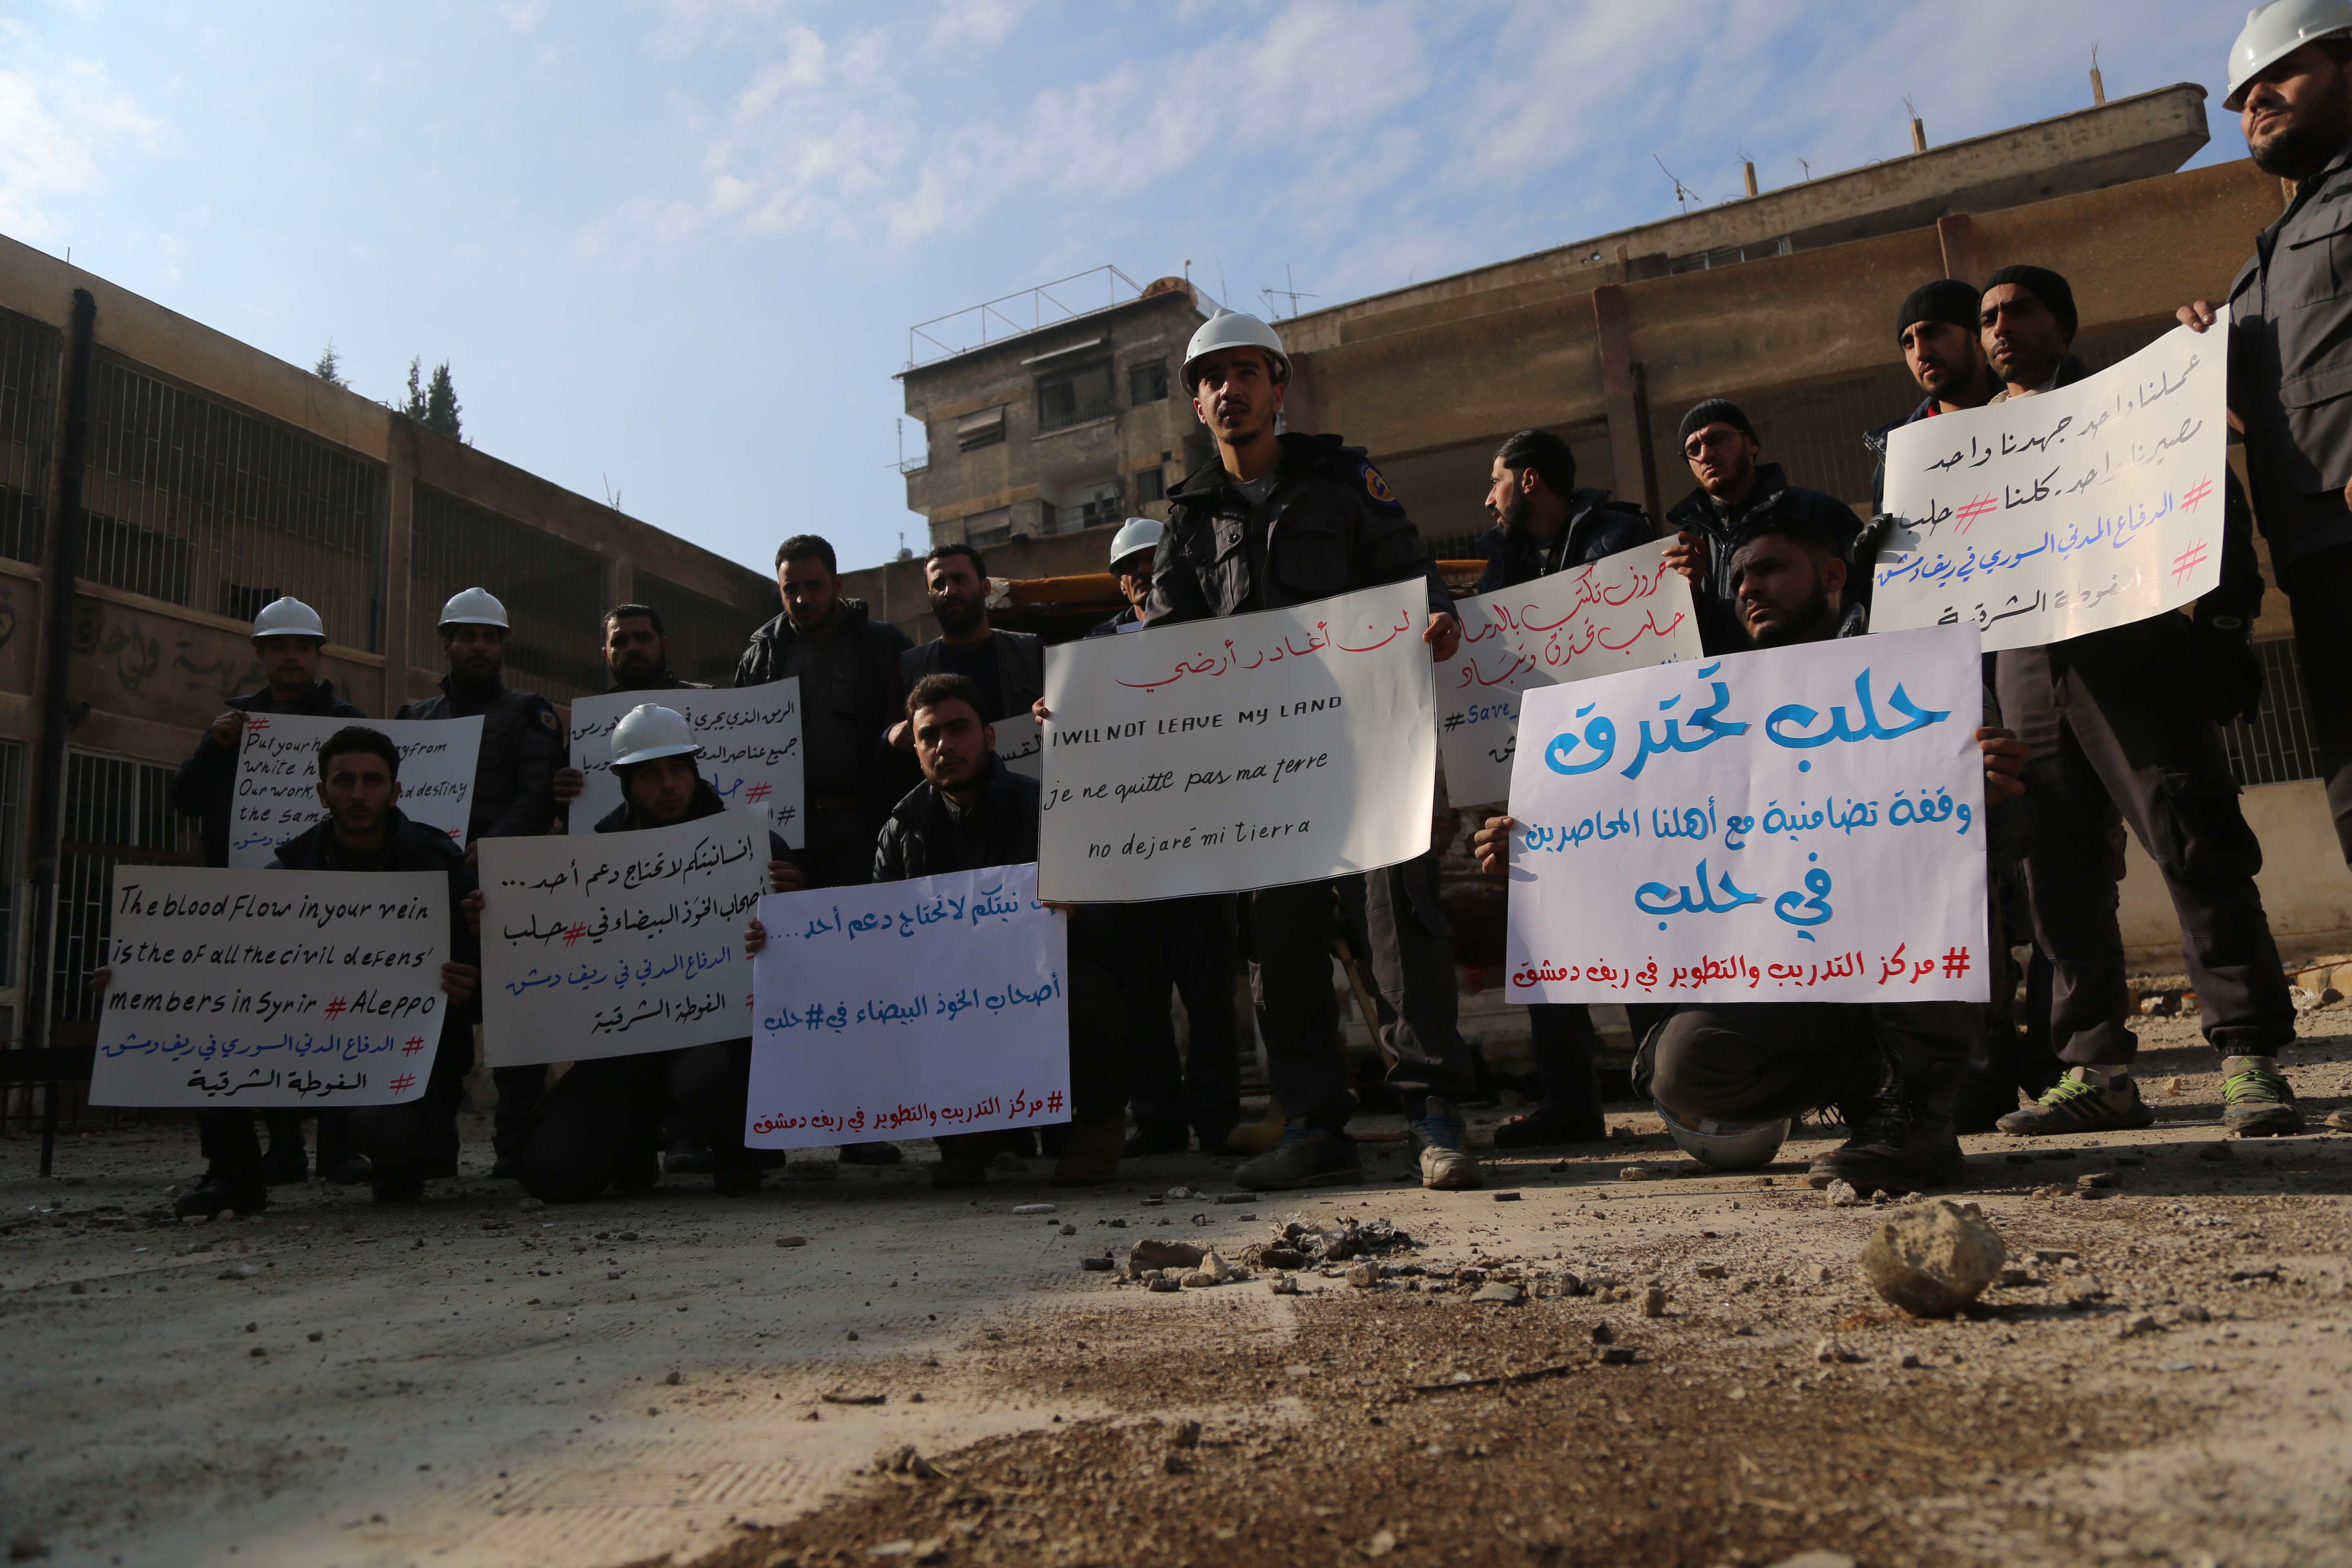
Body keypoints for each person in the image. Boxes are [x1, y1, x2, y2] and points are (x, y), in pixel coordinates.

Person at [1472, 512, 2031, 1192]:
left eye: (1769, 569)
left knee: (1921, 899)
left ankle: (1918, 1119)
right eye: (1737, 578)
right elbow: (1653, 844)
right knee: (1681, 1066)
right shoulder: (1712, 709)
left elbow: (2007, 853)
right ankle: (1873, 1090)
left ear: (1833, 575)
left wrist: (1993, 800)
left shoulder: (1919, 678)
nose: (1748, 588)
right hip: (1795, 974)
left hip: (1916, 973)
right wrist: (1543, 858)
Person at [1134, 306, 1476, 1193]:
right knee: (1277, 945)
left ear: (1277, 387)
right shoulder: (1188, 519)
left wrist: (1437, 617)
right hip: (1261, 775)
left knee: (1397, 927)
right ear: (1198, 407)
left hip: (1369, 750)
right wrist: (1092, 706)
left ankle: (1433, 1115)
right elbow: (1165, 647)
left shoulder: (1343, 480)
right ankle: (1315, 1125)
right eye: (1212, 380)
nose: (1229, 390)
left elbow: (1410, 573)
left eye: (1246, 372)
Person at [1980, 265, 2303, 1137]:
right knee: (2055, 873)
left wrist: (2226, 624)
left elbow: (2211, 502)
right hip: (2022, 666)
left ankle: (2249, 1056)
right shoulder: (1967, 447)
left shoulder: (2132, 405)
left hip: (2130, 651)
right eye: (1988, 318)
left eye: (2019, 310)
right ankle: (2098, 1072)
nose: (2001, 328)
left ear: (2063, 324)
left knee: (2193, 842)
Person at [744, 674, 1126, 1187]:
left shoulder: (1048, 811)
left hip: (1040, 985)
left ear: (989, 736)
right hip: (951, 1000)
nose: (945, 745)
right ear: (917, 751)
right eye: (929, 735)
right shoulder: (901, 830)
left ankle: (1099, 1125)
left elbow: (1115, 930)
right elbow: (874, 945)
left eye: (958, 729)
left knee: (1090, 989)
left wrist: (1076, 912)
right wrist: (791, 936)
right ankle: (964, 1131)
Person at [2180, 3, 2352, 1131]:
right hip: (2321, 564)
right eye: (2243, 94)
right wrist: (2207, 353)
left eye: (2281, 75)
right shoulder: (2266, 259)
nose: (2256, 103)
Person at [107, 728, 483, 1209]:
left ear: (394, 792)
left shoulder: (443, 868)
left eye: (372, 781)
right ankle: (235, 1176)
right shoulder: (285, 877)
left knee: (383, 1128)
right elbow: (223, 971)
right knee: (206, 1030)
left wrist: (470, 985)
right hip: (305, 1048)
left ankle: (399, 1165)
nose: (358, 794)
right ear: (323, 793)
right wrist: (135, 983)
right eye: (344, 781)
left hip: (409, 1064)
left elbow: (490, 979)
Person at [479, 706, 801, 1201]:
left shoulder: (754, 846)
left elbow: (799, 970)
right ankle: (632, 1150)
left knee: (708, 1076)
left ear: (695, 770)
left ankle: (737, 1152)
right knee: (551, 1175)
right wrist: (496, 918)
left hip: (717, 1044)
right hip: (624, 1047)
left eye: (678, 769)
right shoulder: (590, 859)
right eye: (649, 774)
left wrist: (791, 915)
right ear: (626, 784)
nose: (667, 784)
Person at [1470, 429, 1652, 1149]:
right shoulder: (1500, 564)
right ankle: (1570, 1103)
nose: (1488, 499)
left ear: (1530, 480)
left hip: (1629, 775)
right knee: (1544, 937)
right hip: (1543, 778)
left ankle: (1674, 1087)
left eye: (1496, 481)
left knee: (1644, 931)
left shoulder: (1621, 540)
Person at [163, 597, 369, 1210]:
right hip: (250, 902)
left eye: (302, 647)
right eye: (279, 647)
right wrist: (214, 746)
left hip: (330, 900)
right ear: (260, 653)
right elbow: (185, 798)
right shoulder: (235, 724)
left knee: (334, 1016)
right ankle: (284, 1147)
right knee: (264, 1020)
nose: (291, 657)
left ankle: (338, 1146)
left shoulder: (346, 721)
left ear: (318, 654)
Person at [734, 534, 917, 1166]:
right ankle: (768, 1131)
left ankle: (860, 1124)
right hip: (782, 840)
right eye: (792, 589)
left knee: (856, 979)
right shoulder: (760, 653)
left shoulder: (883, 644)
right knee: (775, 977)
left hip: (858, 832)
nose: (803, 599)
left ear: (838, 585)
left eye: (814, 586)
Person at [1085, 517, 1243, 1156]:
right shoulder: (1093, 651)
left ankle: (1217, 1120)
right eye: (1130, 568)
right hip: (1129, 855)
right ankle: (1157, 1120)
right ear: (1119, 583)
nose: (1142, 574)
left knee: (1209, 996)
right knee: (1141, 997)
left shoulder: (1213, 630)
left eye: (1152, 560)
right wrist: (1054, 716)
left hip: (1201, 845)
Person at [396, 587, 564, 1175]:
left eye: (490, 638)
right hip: (428, 895)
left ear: (502, 647)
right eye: (467, 636)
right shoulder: (413, 720)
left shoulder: (529, 712)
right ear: (447, 644)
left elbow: (537, 798)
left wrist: (488, 848)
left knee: (516, 1020)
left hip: (505, 889)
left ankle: (515, 1147)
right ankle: (430, 1145)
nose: (479, 647)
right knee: (431, 1017)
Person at [1660, 399, 1861, 655]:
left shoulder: (1815, 511)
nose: (1706, 455)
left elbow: (1859, 600)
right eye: (1693, 449)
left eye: (1718, 439)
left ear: (1752, 444)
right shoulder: (1683, 545)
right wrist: (1692, 599)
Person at [1862, 280, 2006, 512]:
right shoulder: (1895, 458)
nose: (1920, 353)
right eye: (1908, 344)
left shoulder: (2035, 409)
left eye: (1932, 333)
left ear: (1978, 337)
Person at [891, 544, 1043, 740]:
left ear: (986, 588)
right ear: (930, 596)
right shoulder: (909, 669)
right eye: (938, 584)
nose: (949, 591)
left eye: (959, 579)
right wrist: (891, 733)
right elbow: (886, 735)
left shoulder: (1031, 652)